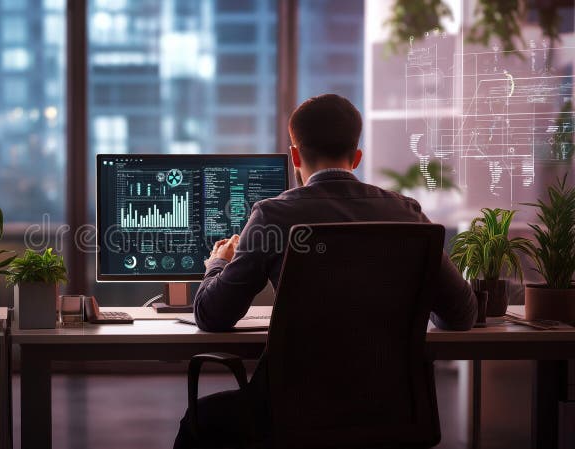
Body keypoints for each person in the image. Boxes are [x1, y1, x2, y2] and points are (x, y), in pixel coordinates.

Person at [174, 94, 477, 449]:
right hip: (393, 412)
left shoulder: (273, 215)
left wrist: (218, 264)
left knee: (202, 420)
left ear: (295, 156)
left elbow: (212, 316)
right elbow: (462, 314)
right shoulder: (406, 213)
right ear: (357, 157)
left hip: (290, 414)